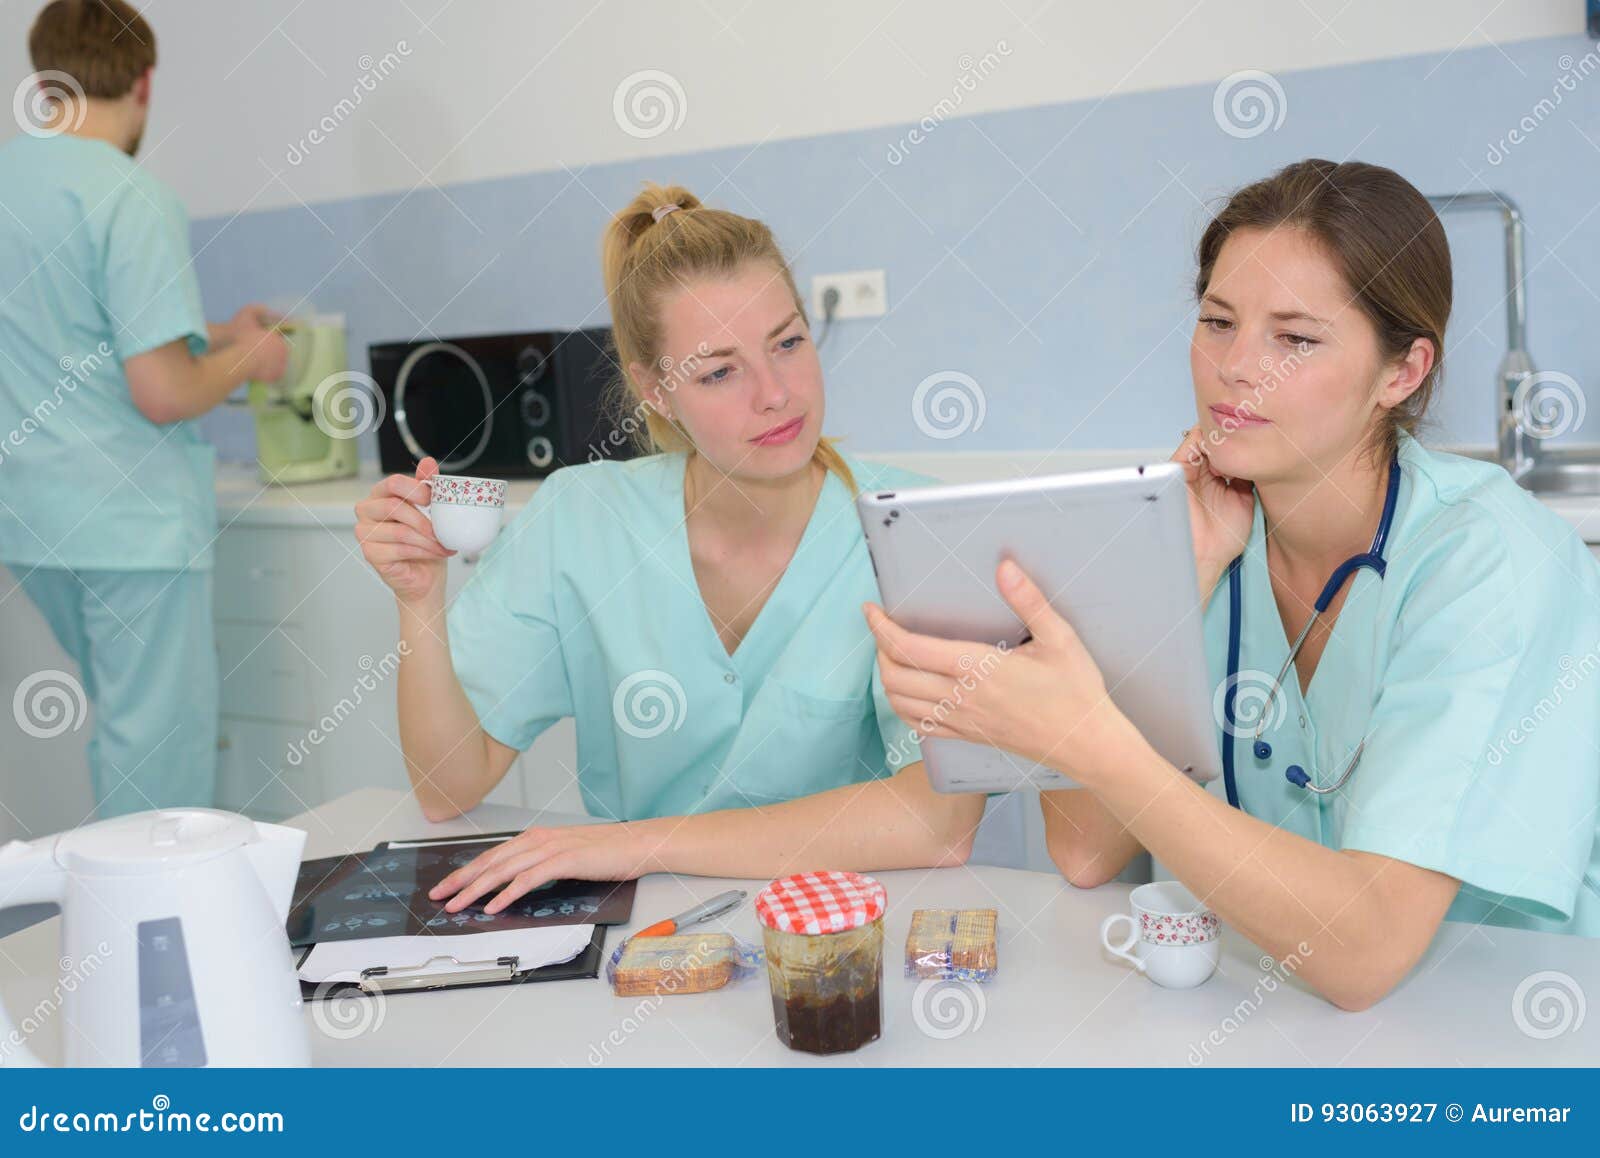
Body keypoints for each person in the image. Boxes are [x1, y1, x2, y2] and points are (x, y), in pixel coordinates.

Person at [869, 159, 1600, 1010]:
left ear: (1400, 373)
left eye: (1295, 338)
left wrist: (1093, 738)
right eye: (1218, 321)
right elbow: (1084, 852)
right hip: (1274, 1016)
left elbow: (1364, 952)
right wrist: (1171, 583)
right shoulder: (1196, 530)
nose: (1236, 367)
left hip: (1503, 1023)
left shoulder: (1495, 562)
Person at [354, 183, 985, 914]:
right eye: (719, 371)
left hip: (845, 937)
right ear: (655, 391)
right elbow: (447, 787)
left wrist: (636, 845)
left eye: (788, 342)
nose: (776, 393)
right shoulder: (578, 521)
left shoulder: (914, 529)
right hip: (641, 941)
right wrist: (419, 599)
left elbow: (940, 822)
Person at [0, 0, 286, 817]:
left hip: (32, 521)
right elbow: (160, 393)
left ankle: (112, 928)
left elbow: (73, 341)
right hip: (130, 525)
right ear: (144, 81)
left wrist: (213, 337)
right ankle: (149, 941)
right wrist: (250, 357)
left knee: (126, 733)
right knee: (156, 758)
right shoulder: (131, 196)